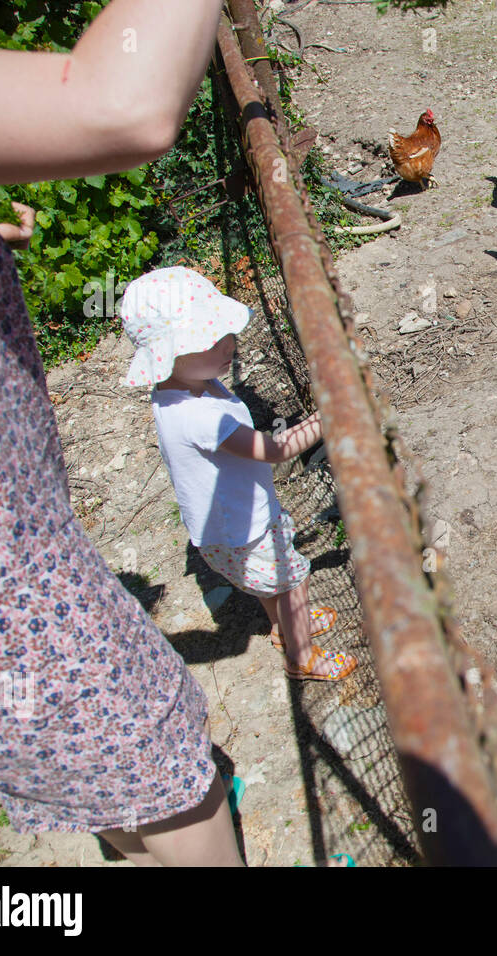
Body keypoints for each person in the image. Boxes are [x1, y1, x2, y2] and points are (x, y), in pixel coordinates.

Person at [0, 0, 245, 865]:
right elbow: (123, 102)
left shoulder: (175, 404)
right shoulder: (207, 412)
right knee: (164, 758)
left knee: (100, 767)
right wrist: (296, 443)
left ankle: (131, 833)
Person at [120, 266, 356, 681]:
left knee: (275, 583)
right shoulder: (200, 416)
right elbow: (275, 449)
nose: (228, 344)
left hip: (226, 529)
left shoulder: (181, 386)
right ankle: (302, 657)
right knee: (292, 581)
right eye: (209, 339)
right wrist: (329, 415)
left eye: (225, 332)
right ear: (171, 352)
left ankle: (284, 627)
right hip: (245, 529)